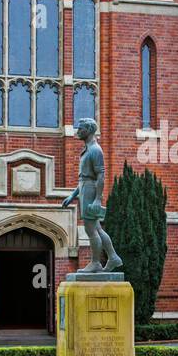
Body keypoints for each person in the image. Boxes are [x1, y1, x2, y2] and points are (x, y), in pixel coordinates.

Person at [62, 117, 123, 273]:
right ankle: (113, 257)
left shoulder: (95, 150)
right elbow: (84, 178)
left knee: (90, 230)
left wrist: (97, 199)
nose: (78, 131)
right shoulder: (88, 149)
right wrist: (72, 196)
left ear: (88, 130)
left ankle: (96, 263)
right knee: (97, 228)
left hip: (90, 191)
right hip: (85, 189)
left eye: (80, 129)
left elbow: (100, 176)